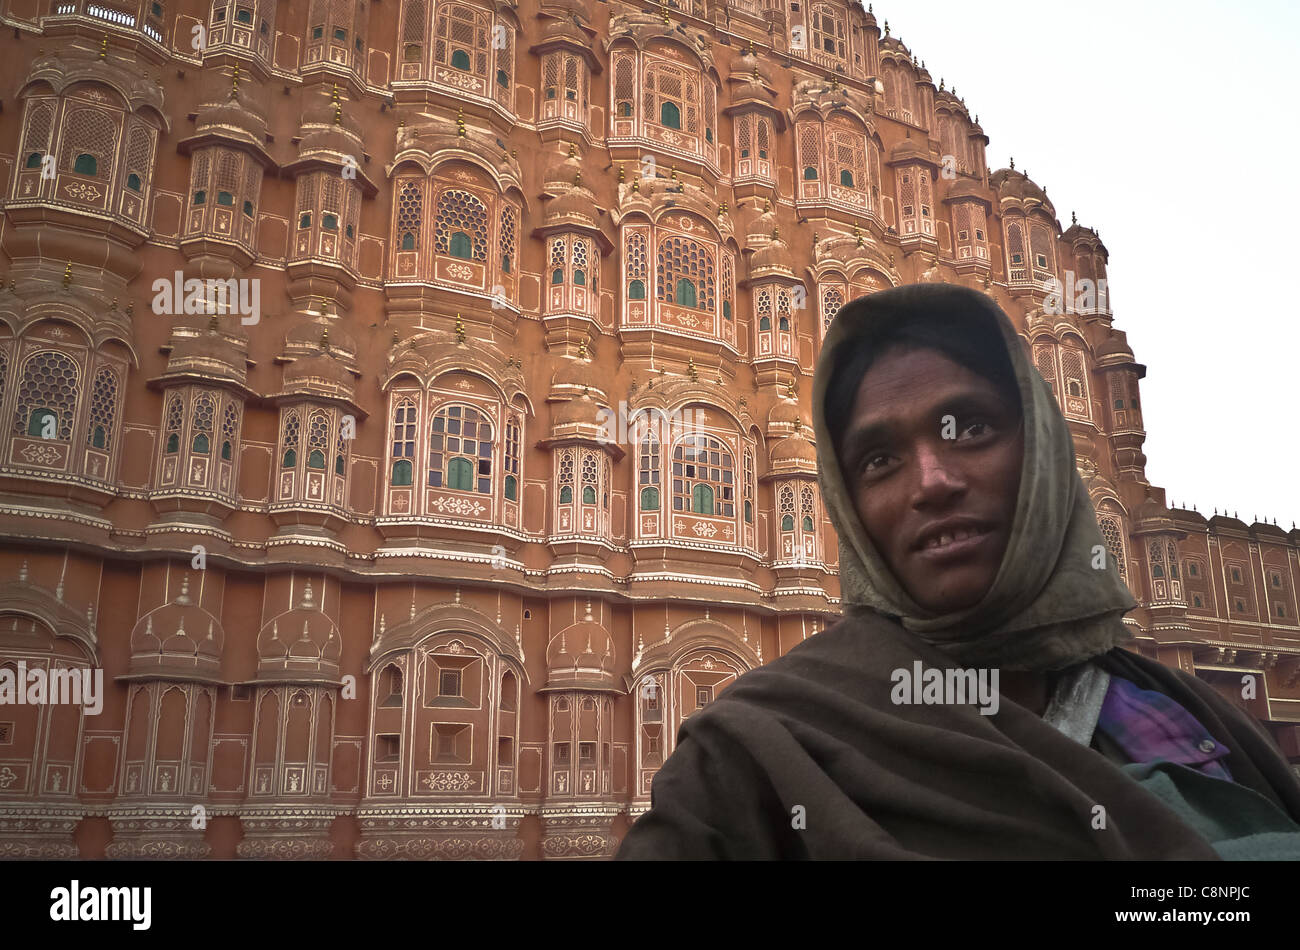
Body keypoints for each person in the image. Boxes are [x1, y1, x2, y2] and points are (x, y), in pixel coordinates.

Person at [615, 282, 1300, 860]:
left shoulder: (1188, 709)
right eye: (879, 459)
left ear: (1045, 453)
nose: (932, 482)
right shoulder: (762, 742)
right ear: (846, 502)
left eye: (969, 427)